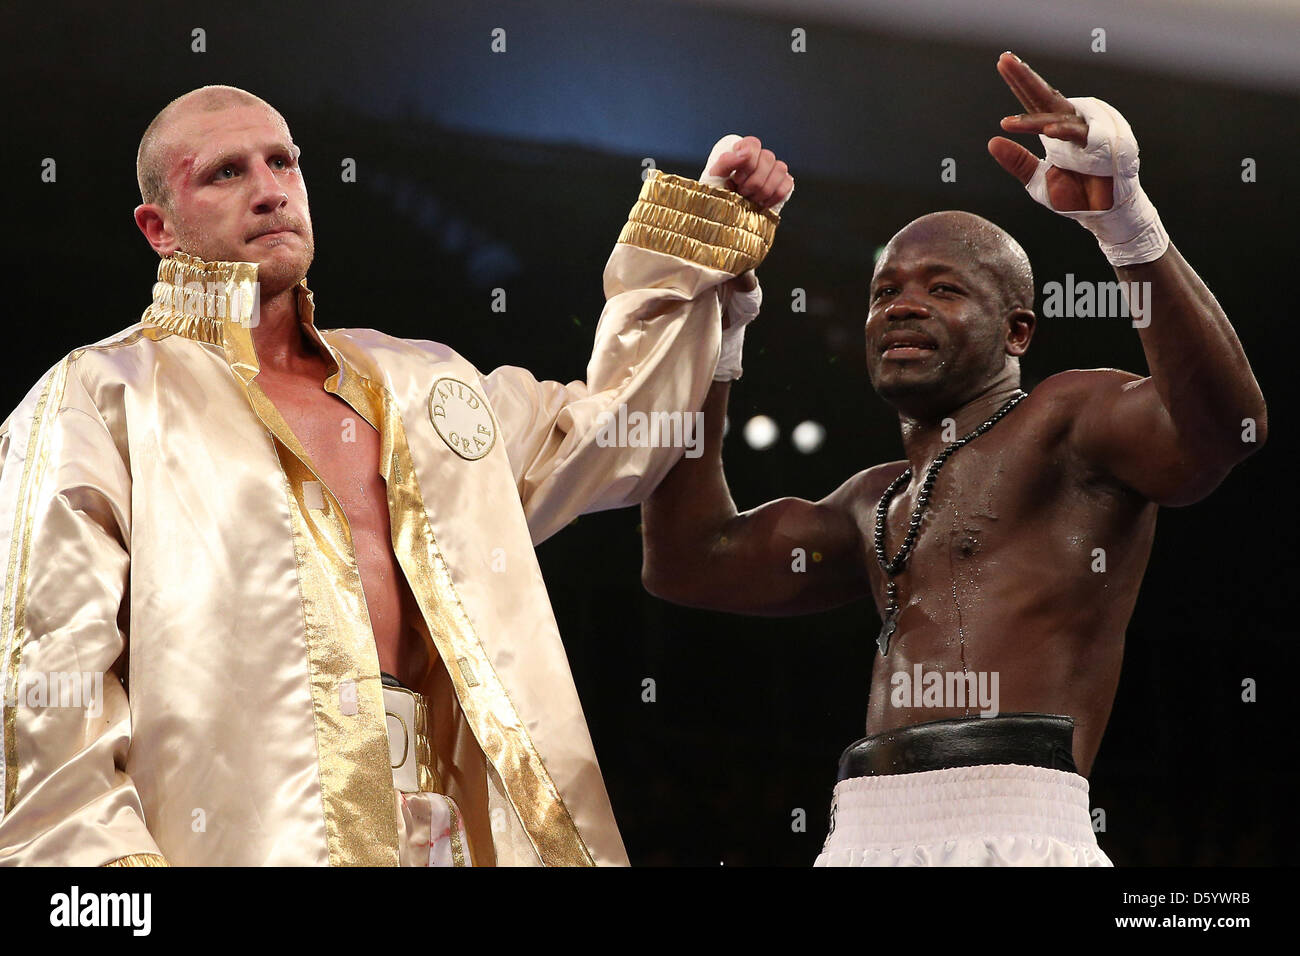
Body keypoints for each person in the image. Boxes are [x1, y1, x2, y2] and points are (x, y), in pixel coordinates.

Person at [0, 85, 793, 866]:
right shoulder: (100, 397)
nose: (271, 191)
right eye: (226, 173)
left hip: (442, 827)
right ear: (158, 229)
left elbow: (615, 436)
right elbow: (45, 691)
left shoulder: (421, 383)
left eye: (283, 162)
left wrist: (698, 247)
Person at [640, 53, 1266, 866]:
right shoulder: (873, 502)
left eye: (943, 288)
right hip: (860, 832)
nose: (901, 302)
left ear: (1017, 332)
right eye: (885, 290)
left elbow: (1227, 428)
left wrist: (1125, 222)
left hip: (1017, 820)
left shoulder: (1068, 424)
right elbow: (687, 561)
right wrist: (715, 334)